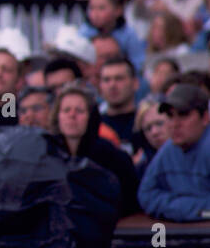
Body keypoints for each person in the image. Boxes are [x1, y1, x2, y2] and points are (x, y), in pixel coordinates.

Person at [51, 84, 140, 217]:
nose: (72, 115)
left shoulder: (111, 155)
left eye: (79, 111)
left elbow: (128, 199)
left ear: (91, 116)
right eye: (66, 110)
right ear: (57, 116)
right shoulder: (47, 152)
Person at [137, 83, 210, 221]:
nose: (175, 124)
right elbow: (146, 196)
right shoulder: (168, 149)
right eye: (170, 116)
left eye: (183, 115)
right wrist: (186, 209)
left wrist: (173, 207)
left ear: (205, 118)